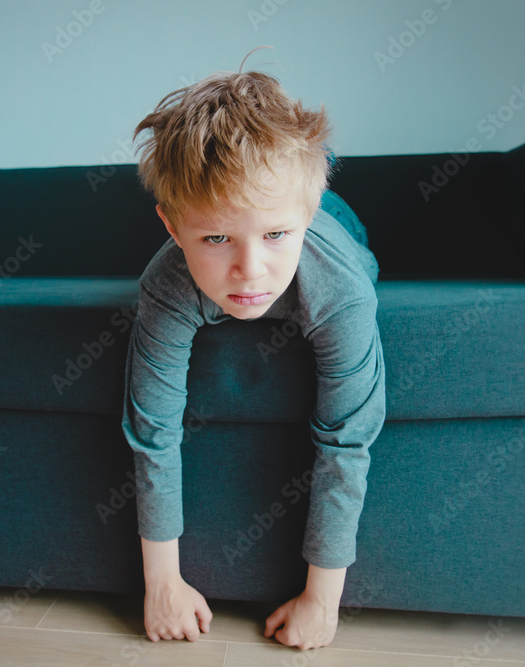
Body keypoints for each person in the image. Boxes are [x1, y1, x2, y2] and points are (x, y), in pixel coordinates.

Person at [120, 53, 386, 651]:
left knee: (320, 240)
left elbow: (348, 438)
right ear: (170, 226)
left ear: (303, 217)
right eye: (216, 238)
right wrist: (161, 582)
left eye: (274, 237)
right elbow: (152, 430)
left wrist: (322, 599)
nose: (249, 270)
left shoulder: (341, 288)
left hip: (339, 226)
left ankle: (266, 219)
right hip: (285, 211)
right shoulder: (165, 285)